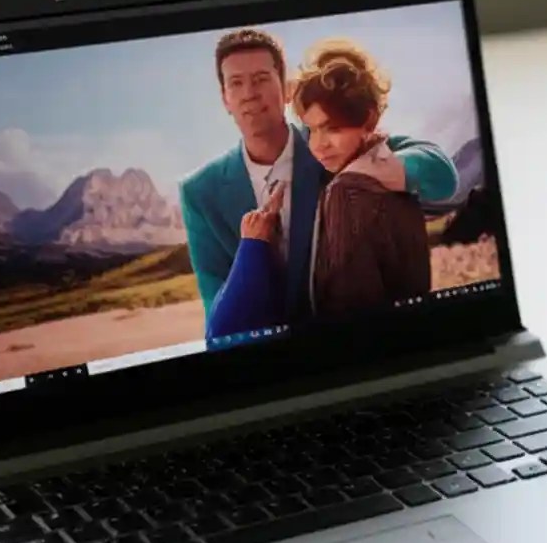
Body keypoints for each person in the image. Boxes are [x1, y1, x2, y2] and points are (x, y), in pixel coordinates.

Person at [179, 28, 457, 336]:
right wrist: (252, 250)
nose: (249, 93)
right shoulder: (200, 192)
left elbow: (439, 170)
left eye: (260, 79)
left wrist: (365, 172)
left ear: (285, 89)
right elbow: (218, 327)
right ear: (225, 99)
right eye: (236, 83)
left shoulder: (332, 148)